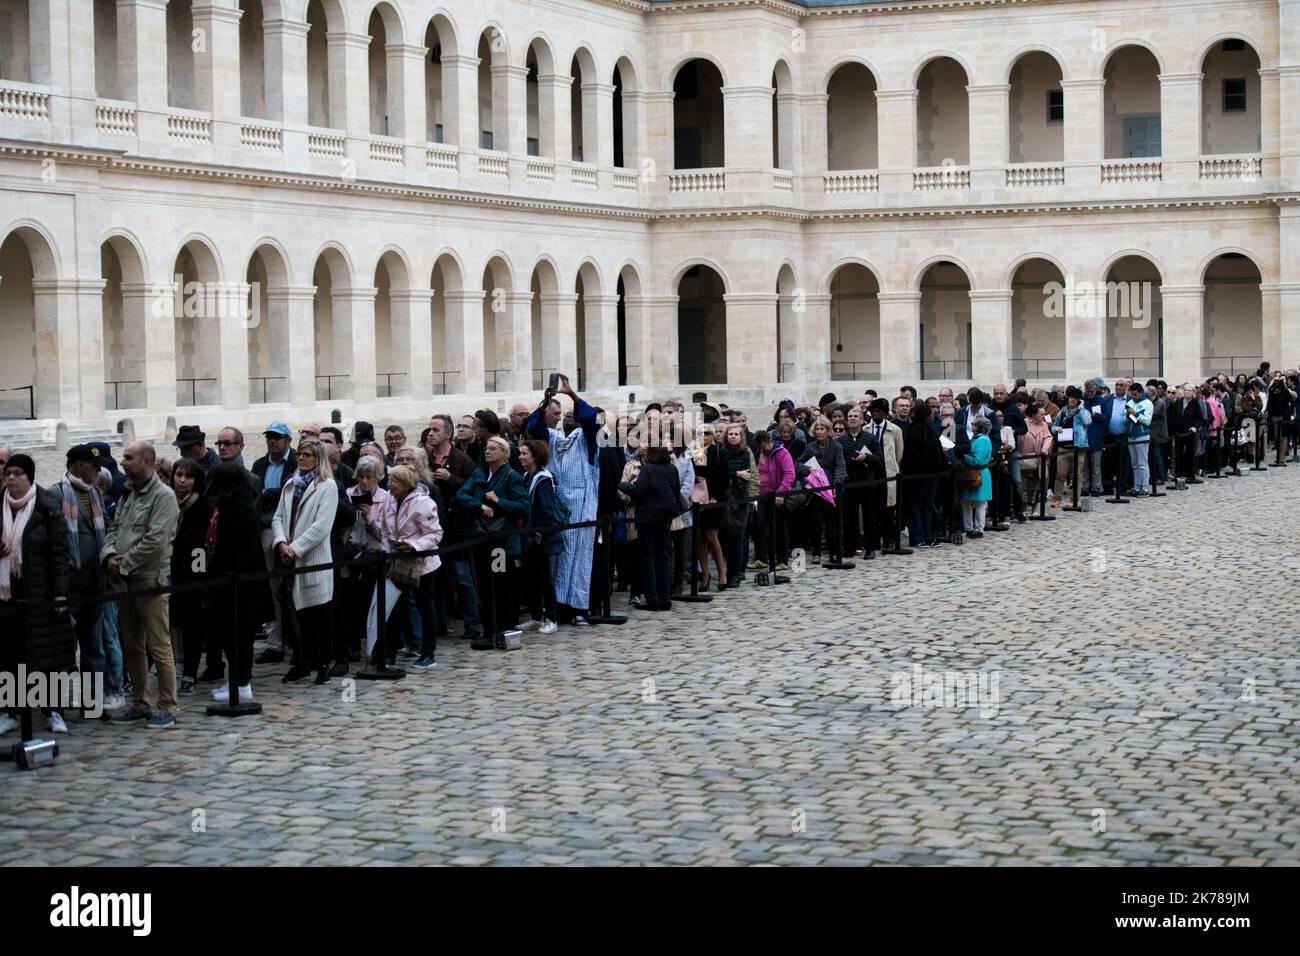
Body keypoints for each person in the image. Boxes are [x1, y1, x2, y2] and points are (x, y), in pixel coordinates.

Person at [100, 442, 182, 728]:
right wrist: (109, 555)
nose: (123, 463)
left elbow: (156, 540)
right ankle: (140, 702)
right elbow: (115, 528)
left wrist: (123, 563)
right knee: (132, 644)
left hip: (150, 579)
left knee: (159, 644)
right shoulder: (129, 495)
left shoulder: (164, 496)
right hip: (125, 581)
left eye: (128, 458)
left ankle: (168, 706)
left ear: (147, 461)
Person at [0, 454, 77, 737]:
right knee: (9, 655)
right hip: (6, 593)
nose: (11, 478)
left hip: (40, 594)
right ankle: (11, 710)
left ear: (29, 476)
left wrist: (60, 593)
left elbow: (60, 553)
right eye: (8, 473)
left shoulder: (46, 506)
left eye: (18, 473)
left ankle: (53, 710)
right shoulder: (0, 504)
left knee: (46, 656)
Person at [46, 444, 118, 716]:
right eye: (94, 465)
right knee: (63, 648)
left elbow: (106, 529)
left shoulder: (95, 494)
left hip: (94, 583)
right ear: (77, 465)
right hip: (69, 585)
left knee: (94, 647)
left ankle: (93, 702)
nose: (99, 470)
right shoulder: (55, 494)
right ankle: (58, 704)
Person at [525, 374, 600, 623]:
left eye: (571, 414)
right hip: (559, 509)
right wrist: (544, 401)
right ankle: (556, 608)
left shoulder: (587, 440)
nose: (567, 417)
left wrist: (571, 395)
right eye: (562, 415)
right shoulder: (554, 439)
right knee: (556, 560)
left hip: (582, 508)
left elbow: (589, 418)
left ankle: (578, 609)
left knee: (578, 559)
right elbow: (533, 429)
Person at [205, 463, 274, 704]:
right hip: (232, 584)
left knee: (239, 637)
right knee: (231, 636)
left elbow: (229, 551)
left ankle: (242, 682)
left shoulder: (238, 510)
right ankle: (237, 679)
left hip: (239, 587)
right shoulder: (229, 507)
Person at [271, 438, 337, 685]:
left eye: (308, 455)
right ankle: (300, 662)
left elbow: (321, 526)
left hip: (312, 559)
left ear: (317, 458)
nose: (302, 458)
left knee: (319, 613)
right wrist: (280, 542)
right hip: (289, 559)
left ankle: (322, 664)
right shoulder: (290, 483)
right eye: (300, 454)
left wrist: (295, 548)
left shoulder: (327, 486)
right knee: (294, 615)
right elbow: (278, 517)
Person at [454, 436, 529, 649]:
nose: (488, 451)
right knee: (484, 585)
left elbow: (523, 506)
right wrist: (480, 505)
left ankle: (501, 628)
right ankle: (488, 628)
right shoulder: (479, 473)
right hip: (481, 538)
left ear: (504, 454)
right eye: (487, 448)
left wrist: (498, 501)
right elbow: (461, 496)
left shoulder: (511, 477)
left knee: (500, 585)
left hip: (501, 543)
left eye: (494, 449)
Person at [386, 464, 443, 670]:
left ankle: (428, 653)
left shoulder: (423, 503)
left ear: (406, 484)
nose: (390, 484)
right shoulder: (390, 500)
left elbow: (435, 533)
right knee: (393, 608)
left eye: (395, 481)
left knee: (425, 607)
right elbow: (387, 528)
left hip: (423, 564)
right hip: (397, 561)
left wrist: (413, 545)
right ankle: (389, 652)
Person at [252, 422, 296, 664]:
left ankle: (294, 638)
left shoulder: (297, 461)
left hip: (290, 531)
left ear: (288, 440)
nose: (272, 442)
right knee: (269, 586)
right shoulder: (260, 464)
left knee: (290, 587)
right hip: (266, 528)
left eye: (277, 438)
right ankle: (274, 641)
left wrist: (272, 493)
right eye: (269, 437)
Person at [170, 458, 215, 696]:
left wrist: (198, 578)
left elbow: (202, 547)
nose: (182, 480)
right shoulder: (170, 504)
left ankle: (190, 672)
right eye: (178, 475)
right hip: (172, 575)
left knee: (192, 628)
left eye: (187, 477)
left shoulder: (202, 508)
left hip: (193, 577)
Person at [619, 443, 680, 612]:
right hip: (665, 517)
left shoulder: (649, 469)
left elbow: (639, 490)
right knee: (664, 557)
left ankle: (652, 599)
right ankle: (665, 598)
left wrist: (622, 485)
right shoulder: (672, 469)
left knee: (647, 557)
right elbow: (676, 492)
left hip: (648, 516)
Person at [519, 439, 561, 634]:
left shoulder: (543, 478)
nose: (520, 457)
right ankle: (536, 616)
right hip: (528, 537)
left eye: (524, 454)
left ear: (534, 456)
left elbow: (547, 509)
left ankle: (551, 617)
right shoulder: (527, 476)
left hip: (540, 537)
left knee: (545, 577)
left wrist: (540, 532)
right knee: (530, 577)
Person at [796, 417, 846, 564]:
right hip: (816, 489)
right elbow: (797, 463)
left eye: (822, 429)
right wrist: (808, 470)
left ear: (828, 430)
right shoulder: (810, 447)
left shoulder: (836, 446)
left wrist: (837, 484)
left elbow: (840, 466)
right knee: (817, 522)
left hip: (832, 488)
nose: (819, 432)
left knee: (833, 523)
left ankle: (834, 552)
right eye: (817, 429)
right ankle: (816, 553)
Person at [899, 401, 945, 548]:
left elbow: (936, 451)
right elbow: (912, 454)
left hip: (930, 476)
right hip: (917, 477)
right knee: (916, 506)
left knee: (927, 506)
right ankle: (918, 537)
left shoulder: (929, 430)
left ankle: (929, 536)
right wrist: (930, 465)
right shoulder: (912, 431)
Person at [689, 423, 727, 591]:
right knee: (698, 539)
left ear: (713, 436)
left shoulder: (719, 452)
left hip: (714, 500)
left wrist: (714, 497)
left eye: (706, 433)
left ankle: (722, 573)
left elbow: (724, 478)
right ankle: (705, 574)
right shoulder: (692, 453)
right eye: (700, 433)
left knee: (711, 536)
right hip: (697, 500)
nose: (703, 436)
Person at [719, 422, 758, 588]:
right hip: (725, 498)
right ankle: (729, 571)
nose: (733, 437)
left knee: (737, 537)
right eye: (730, 434)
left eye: (736, 434)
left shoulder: (745, 452)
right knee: (724, 538)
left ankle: (737, 572)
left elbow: (747, 475)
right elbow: (720, 473)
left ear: (741, 437)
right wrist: (736, 473)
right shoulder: (722, 452)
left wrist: (738, 475)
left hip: (740, 499)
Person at [753, 430, 794, 569]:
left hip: (776, 495)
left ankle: (782, 560)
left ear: (769, 442)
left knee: (778, 527)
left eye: (764, 446)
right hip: (761, 495)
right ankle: (761, 558)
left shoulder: (781, 453)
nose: (762, 449)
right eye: (760, 447)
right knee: (759, 526)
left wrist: (781, 493)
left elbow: (789, 474)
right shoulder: (758, 453)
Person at [1050, 387, 1092, 506]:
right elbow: (1054, 426)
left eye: (1075, 398)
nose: (1072, 400)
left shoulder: (1082, 411)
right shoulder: (1063, 411)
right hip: (1063, 447)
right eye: (1071, 398)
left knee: (1077, 475)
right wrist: (1056, 429)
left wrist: (1081, 408)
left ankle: (1074, 499)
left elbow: (1087, 421)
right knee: (1060, 474)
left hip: (1078, 447)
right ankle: (1056, 498)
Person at [1016, 402, 1054, 512]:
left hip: (1039, 459)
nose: (1043, 416)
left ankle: (1035, 508)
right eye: (1041, 414)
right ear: (1033, 414)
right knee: (1025, 484)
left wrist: (1045, 449)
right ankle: (1022, 508)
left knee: (1038, 485)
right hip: (1025, 458)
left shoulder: (1044, 425)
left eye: (1044, 414)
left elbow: (1048, 437)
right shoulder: (1024, 423)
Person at [960, 417, 994, 538]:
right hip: (972, 472)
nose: (971, 425)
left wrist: (962, 456)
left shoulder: (982, 440)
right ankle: (968, 527)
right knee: (966, 502)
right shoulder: (977, 439)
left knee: (979, 503)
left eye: (974, 424)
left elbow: (977, 460)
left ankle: (979, 529)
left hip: (978, 473)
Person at [1125, 382, 1154, 495]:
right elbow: (1124, 420)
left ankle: (1145, 489)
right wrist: (1127, 416)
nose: (1133, 397)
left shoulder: (1148, 403)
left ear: (1141, 392)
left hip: (1142, 435)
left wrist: (1136, 414)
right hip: (1131, 435)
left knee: (1142, 463)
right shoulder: (1130, 402)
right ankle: (1137, 488)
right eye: (1132, 394)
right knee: (1134, 463)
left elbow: (1147, 421)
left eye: (1136, 394)